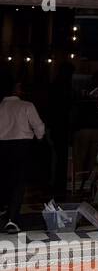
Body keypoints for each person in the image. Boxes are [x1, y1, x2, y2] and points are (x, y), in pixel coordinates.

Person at [0, 79, 46, 233]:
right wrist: (39, 138)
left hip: (2, 146)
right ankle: (12, 219)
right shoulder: (27, 105)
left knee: (4, 180)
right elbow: (39, 126)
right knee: (19, 183)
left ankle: (4, 210)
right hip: (22, 146)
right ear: (16, 89)